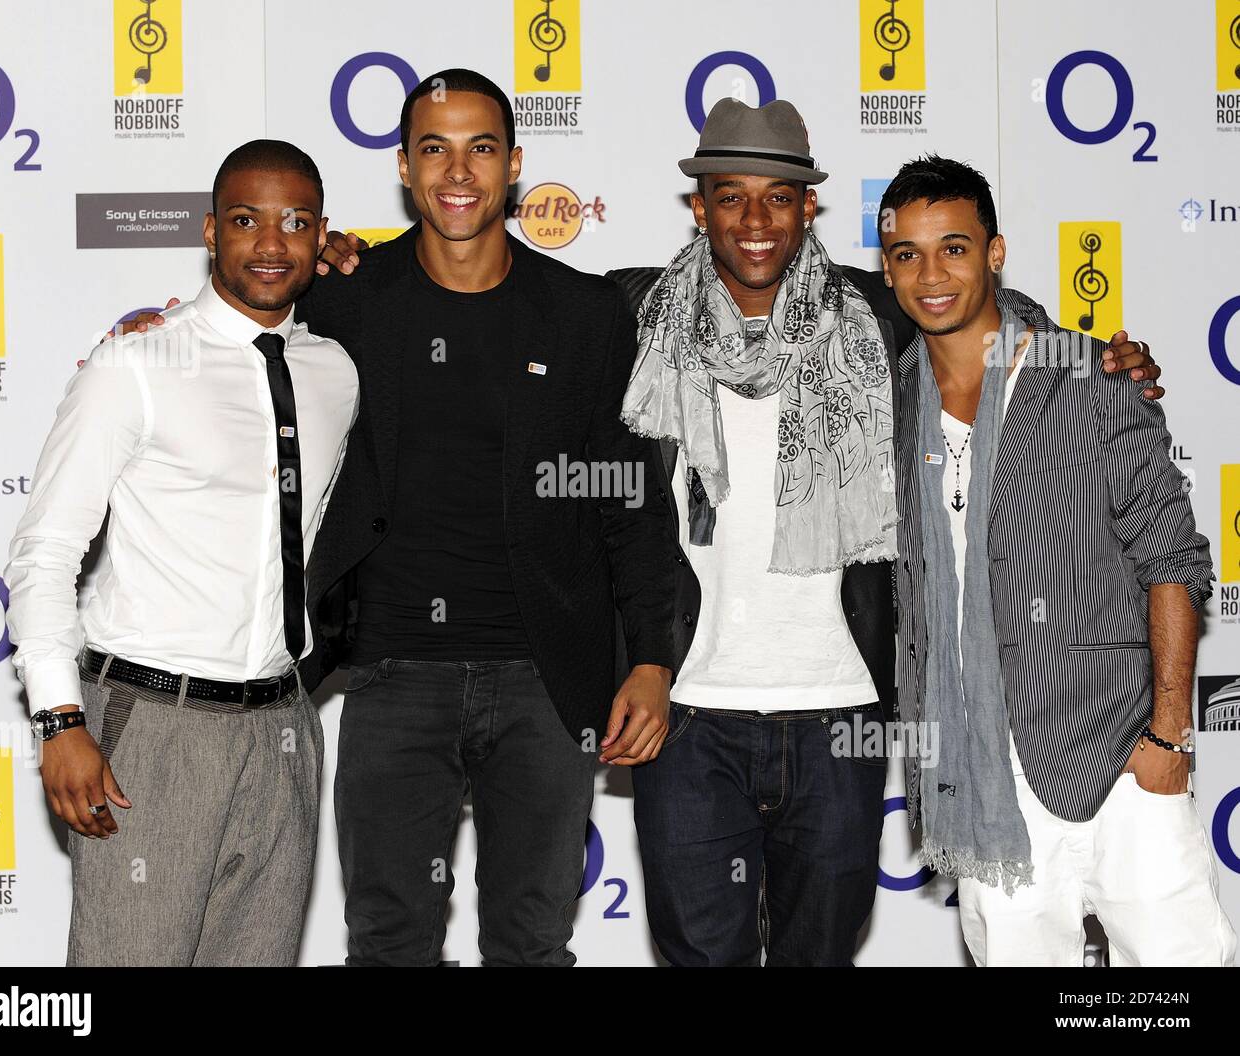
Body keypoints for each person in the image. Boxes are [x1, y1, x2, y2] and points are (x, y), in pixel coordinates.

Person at [127, 71, 678, 965]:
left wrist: (651, 658)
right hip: (390, 678)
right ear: (404, 167)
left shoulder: (584, 316)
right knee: (387, 940)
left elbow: (630, 502)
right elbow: (236, 321)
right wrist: (151, 334)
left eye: (481, 148)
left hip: (547, 683)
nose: (457, 171)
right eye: (435, 148)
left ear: (514, 166)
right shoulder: (347, 298)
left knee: (533, 942)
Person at [607, 100, 1165, 966]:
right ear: (699, 207)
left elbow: (972, 308)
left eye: (778, 197)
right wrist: (339, 271)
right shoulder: (634, 315)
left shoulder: (871, 313)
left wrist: (1086, 356)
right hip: (687, 716)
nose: (755, 221)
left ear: (808, 208)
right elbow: (500, 305)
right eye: (731, 197)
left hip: (842, 715)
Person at [4, 140, 358, 966]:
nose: (270, 244)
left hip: (283, 732)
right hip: (150, 728)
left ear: (320, 236)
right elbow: (45, 550)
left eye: (295, 223)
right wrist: (58, 719)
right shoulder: (135, 362)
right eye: (245, 221)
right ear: (209, 232)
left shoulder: (336, 370)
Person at [881, 154, 1236, 967]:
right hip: (978, 771)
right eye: (908, 254)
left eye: (956, 248)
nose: (931, 274)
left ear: (995, 253)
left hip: (1114, 751)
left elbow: (1173, 559)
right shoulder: (893, 403)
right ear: (889, 266)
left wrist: (1169, 737)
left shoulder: (1089, 376)